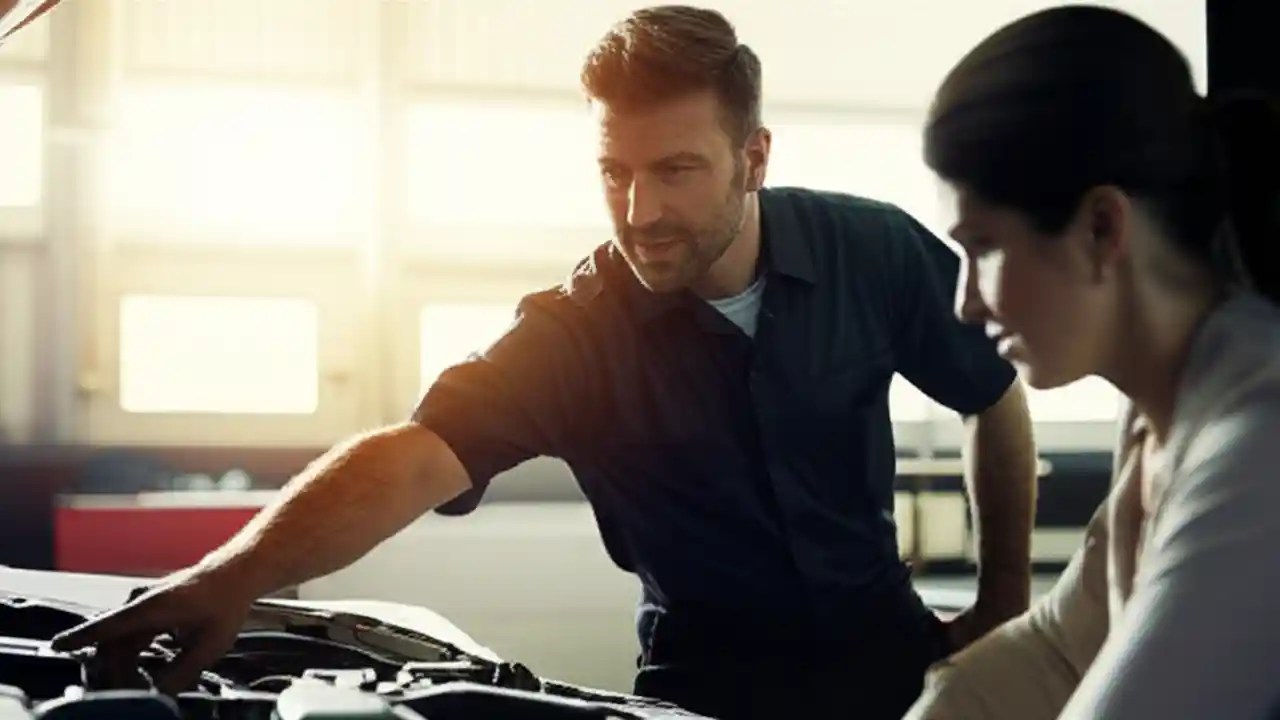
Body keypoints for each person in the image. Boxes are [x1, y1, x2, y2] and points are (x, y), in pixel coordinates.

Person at [49, 6, 1039, 717]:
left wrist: (1001, 602)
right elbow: (413, 454)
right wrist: (234, 574)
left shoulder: (873, 252)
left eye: (676, 171)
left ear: (754, 158)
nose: (639, 212)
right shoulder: (576, 331)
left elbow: (993, 393)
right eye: (614, 173)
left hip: (894, 674)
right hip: (705, 693)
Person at [901, 6, 1280, 719]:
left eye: (981, 247)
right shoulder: (1159, 409)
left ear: (1102, 227)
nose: (965, 304)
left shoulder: (1258, 440)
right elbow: (1061, 645)